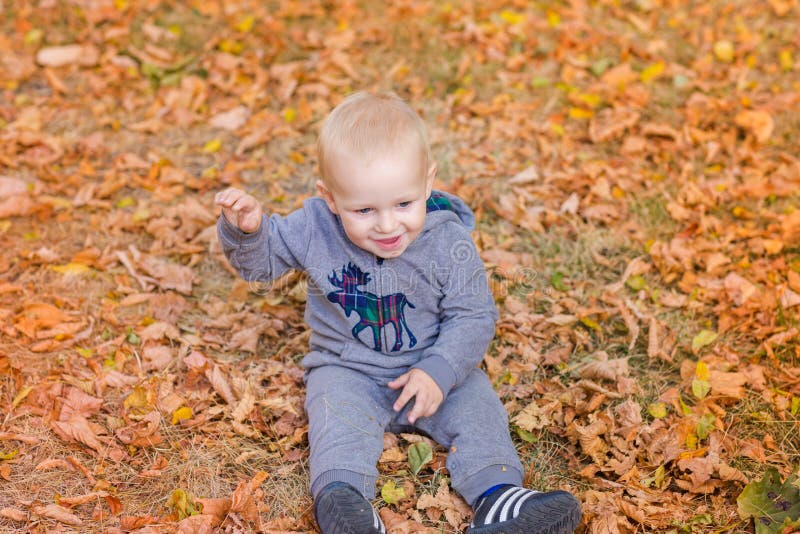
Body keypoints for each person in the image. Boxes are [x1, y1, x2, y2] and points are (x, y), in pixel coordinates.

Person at [215, 91, 581, 533]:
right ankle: (346, 504)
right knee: (336, 420)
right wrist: (250, 232)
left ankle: (500, 500)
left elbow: (473, 315)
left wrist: (440, 371)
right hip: (347, 368)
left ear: (427, 183)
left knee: (479, 411)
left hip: (433, 365)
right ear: (330, 198)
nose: (387, 226)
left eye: (404, 204)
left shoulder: (448, 243)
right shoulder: (314, 226)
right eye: (364, 210)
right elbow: (261, 267)